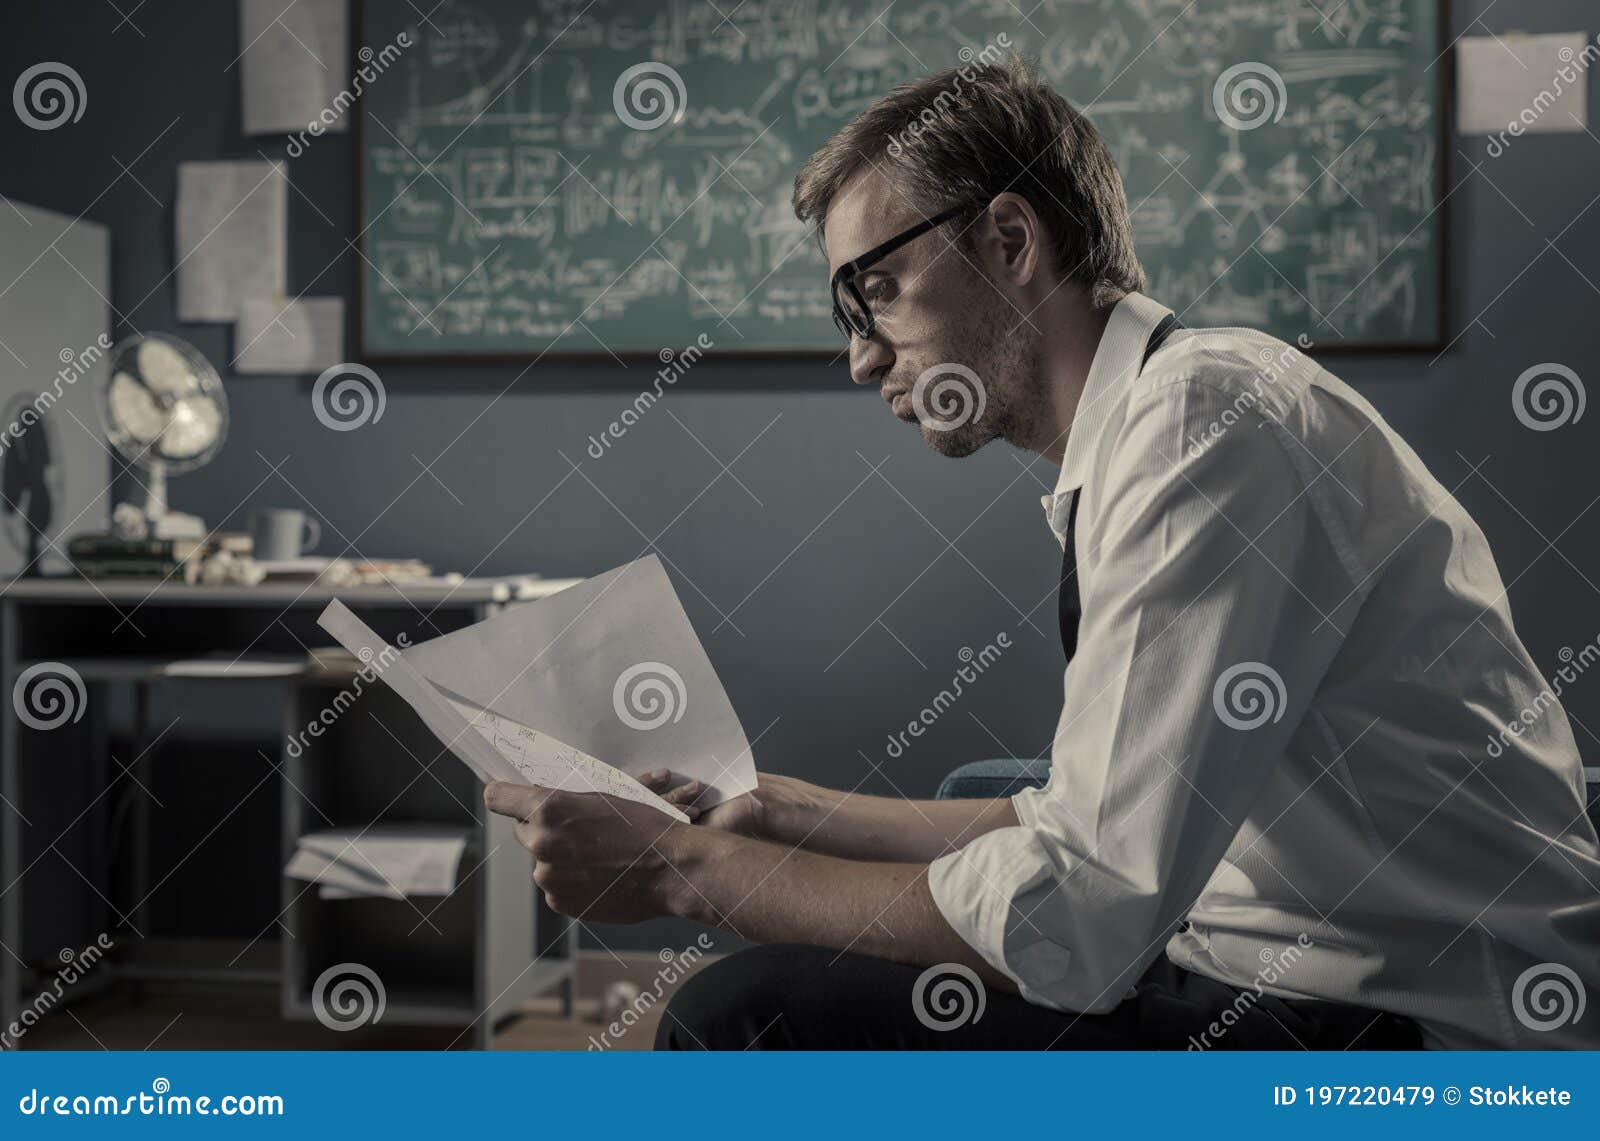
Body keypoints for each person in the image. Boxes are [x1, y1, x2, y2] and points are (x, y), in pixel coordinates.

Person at [486, 56, 1600, 1050]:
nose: (863, 359)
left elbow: (1083, 906)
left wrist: (682, 871)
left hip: (1420, 1031)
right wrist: (773, 809)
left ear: (1011, 242)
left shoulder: (1204, 425)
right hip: (1269, 956)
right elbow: (1088, 816)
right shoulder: (1147, 432)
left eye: (876, 291)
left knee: (735, 1013)